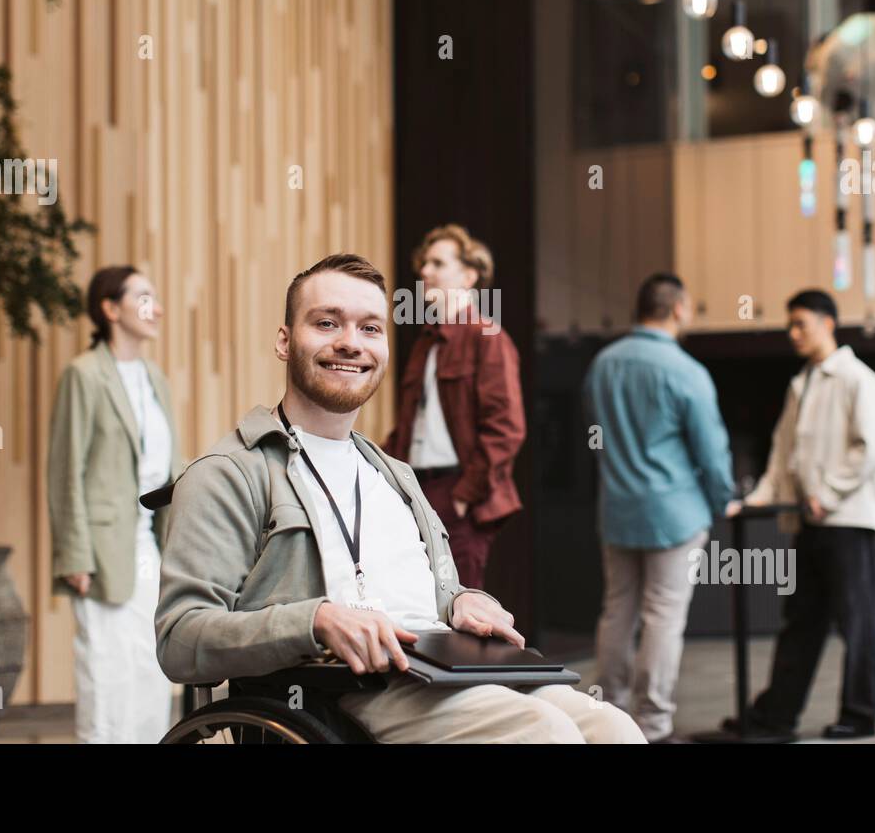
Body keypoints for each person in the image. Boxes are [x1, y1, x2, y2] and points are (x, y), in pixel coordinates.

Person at [155, 254, 643, 743]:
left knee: (612, 726)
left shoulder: (396, 475)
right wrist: (316, 620)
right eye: (326, 323)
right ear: (285, 342)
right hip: (345, 685)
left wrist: (462, 601)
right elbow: (181, 637)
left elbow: (434, 592)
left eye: (370, 328)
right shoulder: (230, 473)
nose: (350, 342)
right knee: (544, 731)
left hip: (443, 668)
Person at [726, 288, 875, 741]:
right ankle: (774, 717)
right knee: (800, 622)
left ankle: (860, 716)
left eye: (801, 323)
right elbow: (783, 457)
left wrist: (829, 493)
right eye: (790, 325)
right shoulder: (800, 384)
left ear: (828, 323)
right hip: (807, 522)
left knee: (856, 622)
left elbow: (873, 444)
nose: (793, 333)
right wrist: (758, 499)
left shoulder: (859, 379)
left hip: (846, 520)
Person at [582, 273, 736, 742]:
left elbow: (596, 435)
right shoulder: (686, 371)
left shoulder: (603, 364)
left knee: (617, 613)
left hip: (618, 509)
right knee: (663, 617)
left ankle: (609, 718)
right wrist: (722, 500)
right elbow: (712, 452)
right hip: (674, 514)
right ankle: (653, 725)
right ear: (679, 308)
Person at [48, 265, 183, 743]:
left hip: (151, 544)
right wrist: (74, 556)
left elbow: (171, 470)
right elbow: (66, 471)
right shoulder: (83, 376)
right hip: (102, 548)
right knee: (105, 675)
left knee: (150, 668)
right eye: (144, 297)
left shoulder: (154, 377)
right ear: (110, 308)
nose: (157, 309)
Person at [383, 224, 525, 589]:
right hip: (416, 491)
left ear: (468, 275)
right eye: (424, 264)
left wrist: (464, 496)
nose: (424, 272)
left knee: (461, 615)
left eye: (437, 263)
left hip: (457, 492)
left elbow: (506, 428)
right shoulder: (426, 343)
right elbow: (408, 427)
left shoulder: (487, 337)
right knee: (417, 604)